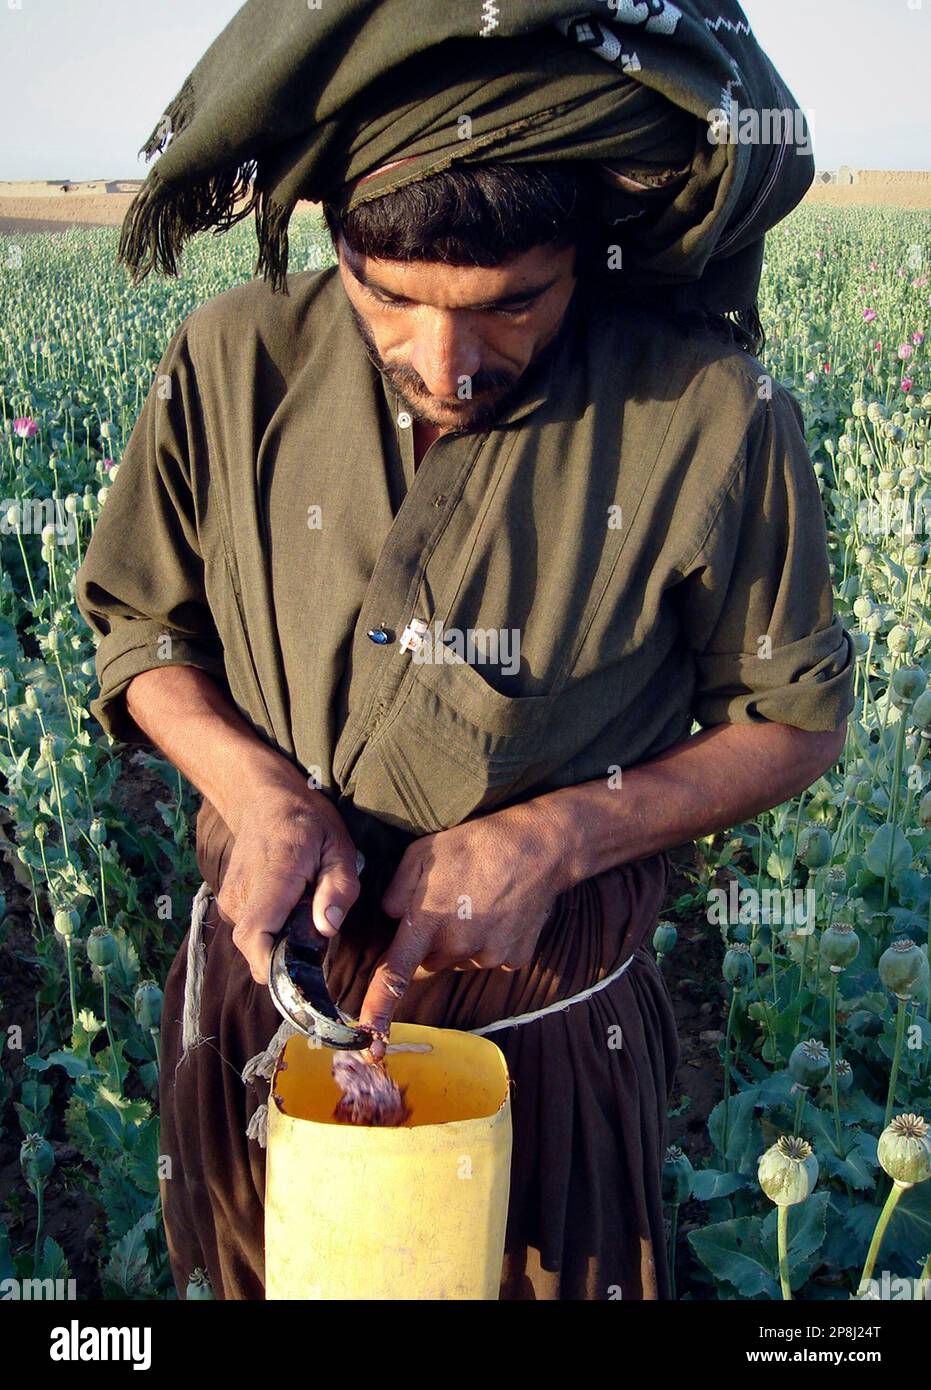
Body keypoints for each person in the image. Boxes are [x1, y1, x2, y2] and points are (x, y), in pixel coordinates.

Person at [75, 0, 854, 1300]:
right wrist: (257, 792)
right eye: (394, 301)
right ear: (335, 238)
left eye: (511, 305)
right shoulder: (230, 359)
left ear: (588, 251)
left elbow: (796, 716)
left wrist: (562, 838)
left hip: (544, 1035)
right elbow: (143, 629)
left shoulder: (710, 415)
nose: (448, 362)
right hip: (259, 1001)